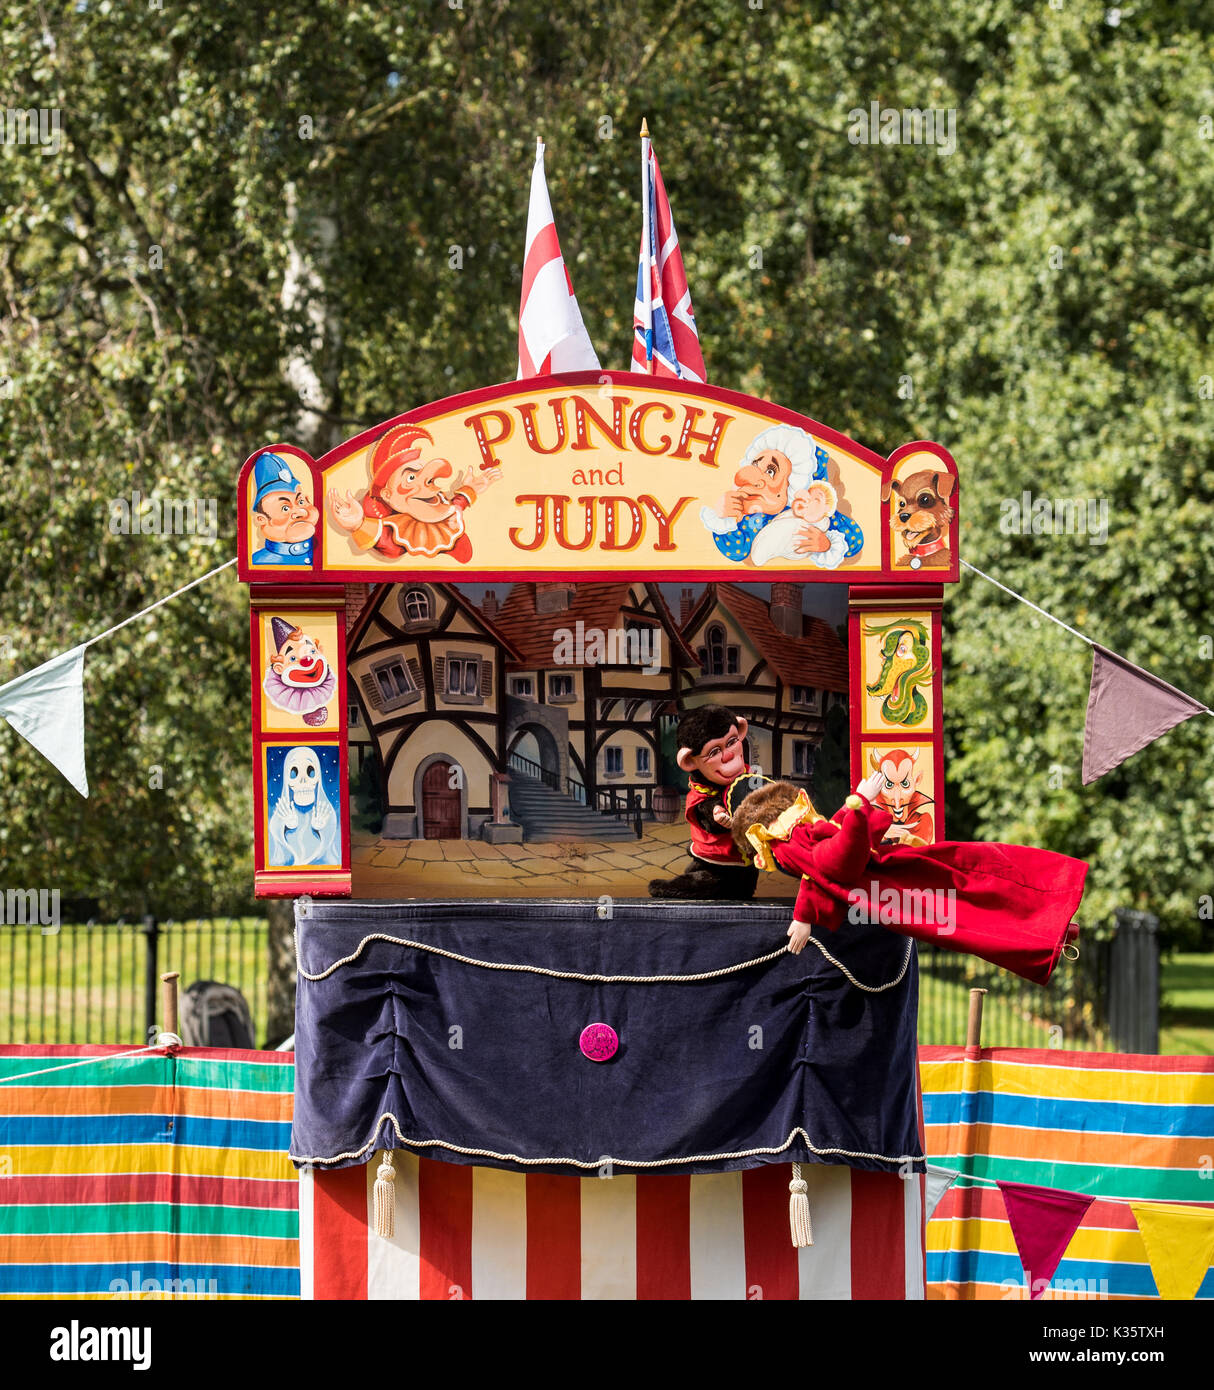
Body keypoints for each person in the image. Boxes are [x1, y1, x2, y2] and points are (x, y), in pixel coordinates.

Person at [729, 772, 1086, 986]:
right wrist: (859, 805)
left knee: (970, 890)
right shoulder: (790, 839)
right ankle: (1052, 922)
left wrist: (857, 808)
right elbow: (831, 864)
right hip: (889, 884)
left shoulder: (789, 840)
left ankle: (1052, 920)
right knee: (970, 893)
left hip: (891, 884)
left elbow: (822, 861)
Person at [648, 704, 761, 900]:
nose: (727, 755)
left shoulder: (747, 778)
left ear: (740, 731)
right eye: (713, 751)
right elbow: (705, 812)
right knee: (700, 878)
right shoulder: (701, 792)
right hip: (714, 858)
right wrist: (716, 812)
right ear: (690, 761)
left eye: (732, 741)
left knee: (722, 886)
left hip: (742, 864)